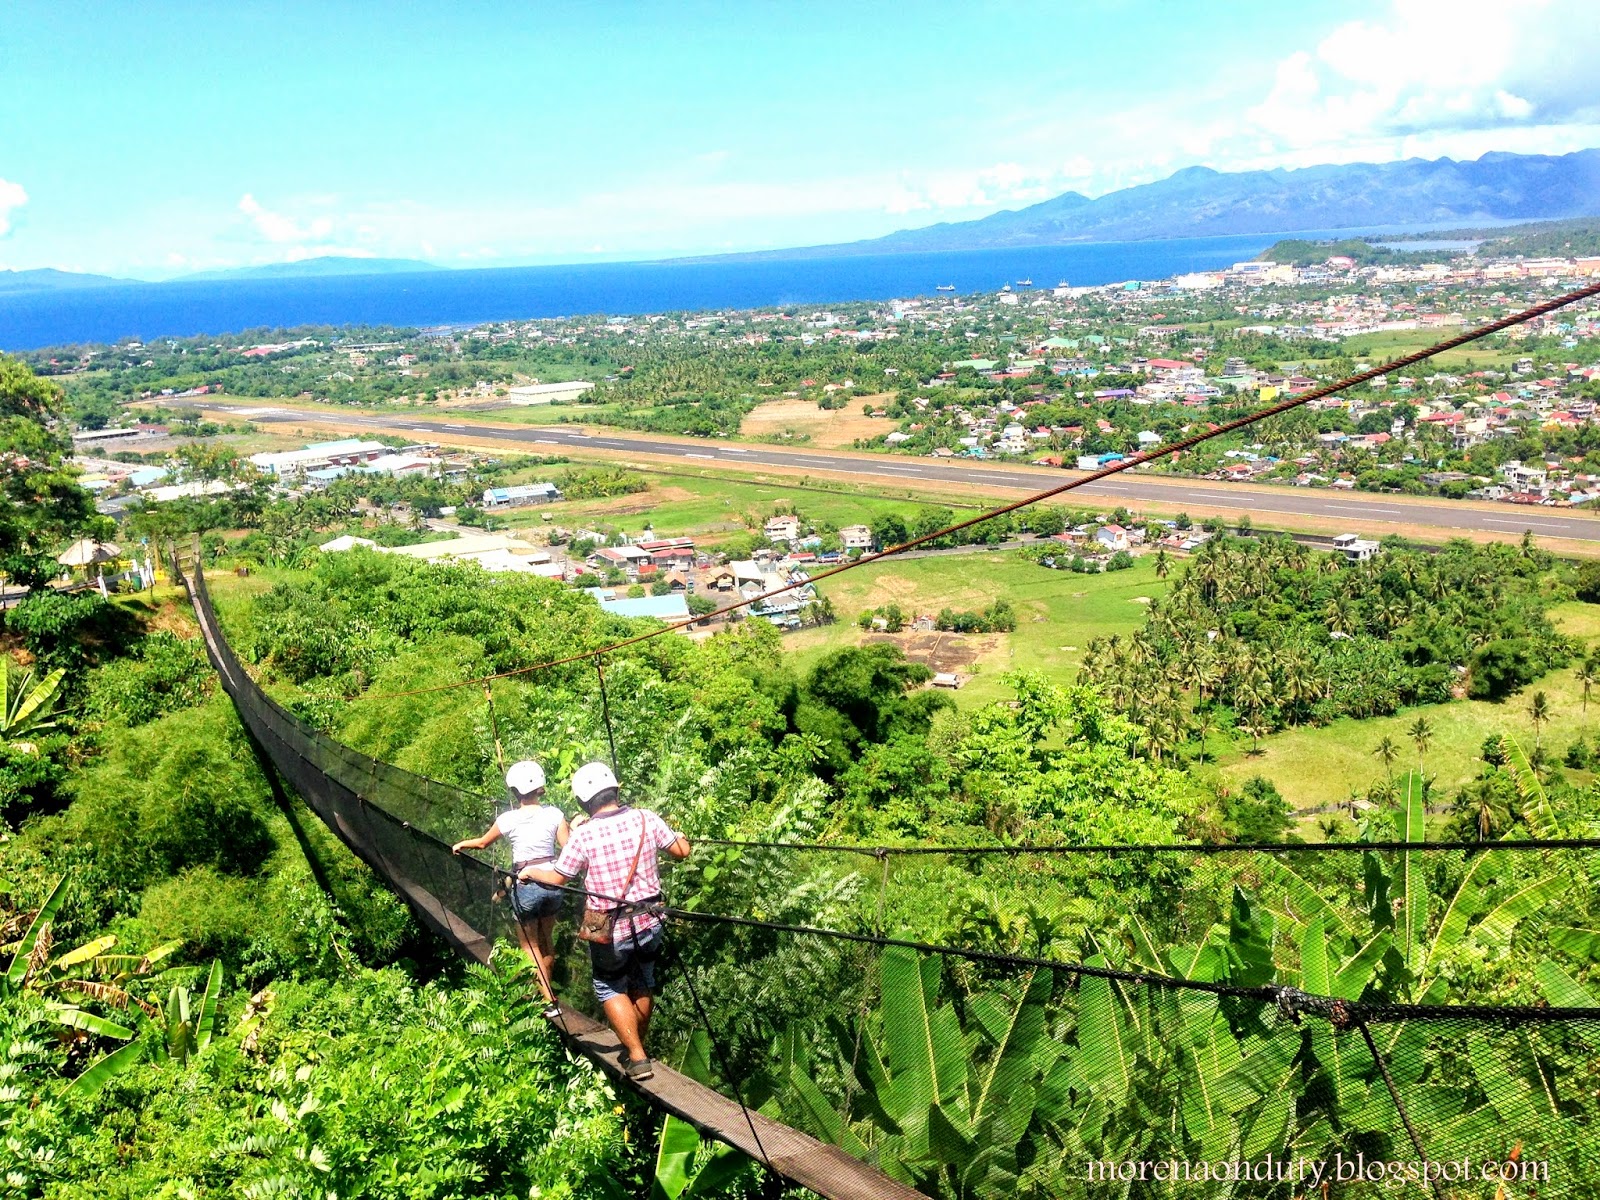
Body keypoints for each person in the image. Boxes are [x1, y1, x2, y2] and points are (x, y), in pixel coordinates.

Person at [521, 761, 690, 1081]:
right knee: (642, 981)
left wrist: (530, 872)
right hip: (651, 918)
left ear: (584, 802)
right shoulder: (646, 818)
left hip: (607, 924)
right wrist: (679, 834)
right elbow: (681, 851)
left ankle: (637, 1056)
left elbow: (558, 877)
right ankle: (637, 1045)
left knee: (609, 985)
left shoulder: (584, 835)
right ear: (616, 790)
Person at [452, 759, 569, 1018]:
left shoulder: (509, 819)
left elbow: (483, 843)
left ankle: (549, 1001)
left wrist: (462, 844)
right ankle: (546, 989)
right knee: (547, 940)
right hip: (553, 881)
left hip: (526, 884)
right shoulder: (555, 814)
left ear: (515, 791)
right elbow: (569, 850)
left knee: (530, 946)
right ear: (541, 787)